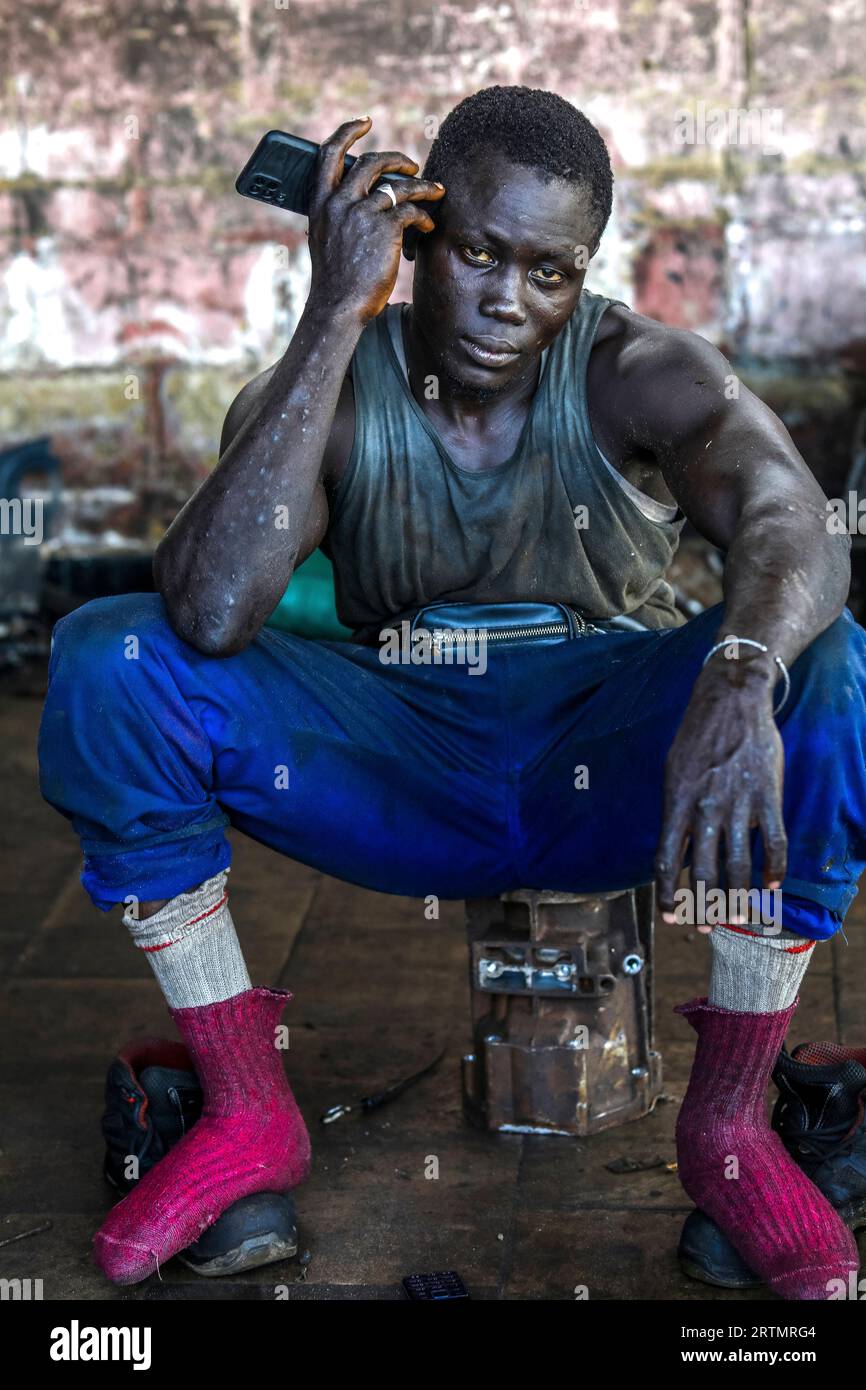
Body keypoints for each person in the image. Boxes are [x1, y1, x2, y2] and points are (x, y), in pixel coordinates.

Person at [38, 85, 866, 1297]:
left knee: (832, 665)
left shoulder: (635, 368)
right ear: (420, 232)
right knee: (107, 654)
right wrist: (334, 306)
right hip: (400, 754)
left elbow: (794, 516)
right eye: (476, 251)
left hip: (615, 756)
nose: (504, 300)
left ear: (580, 272)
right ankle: (247, 1106)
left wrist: (739, 674)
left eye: (546, 270)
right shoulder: (333, 377)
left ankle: (729, 1127)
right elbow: (211, 612)